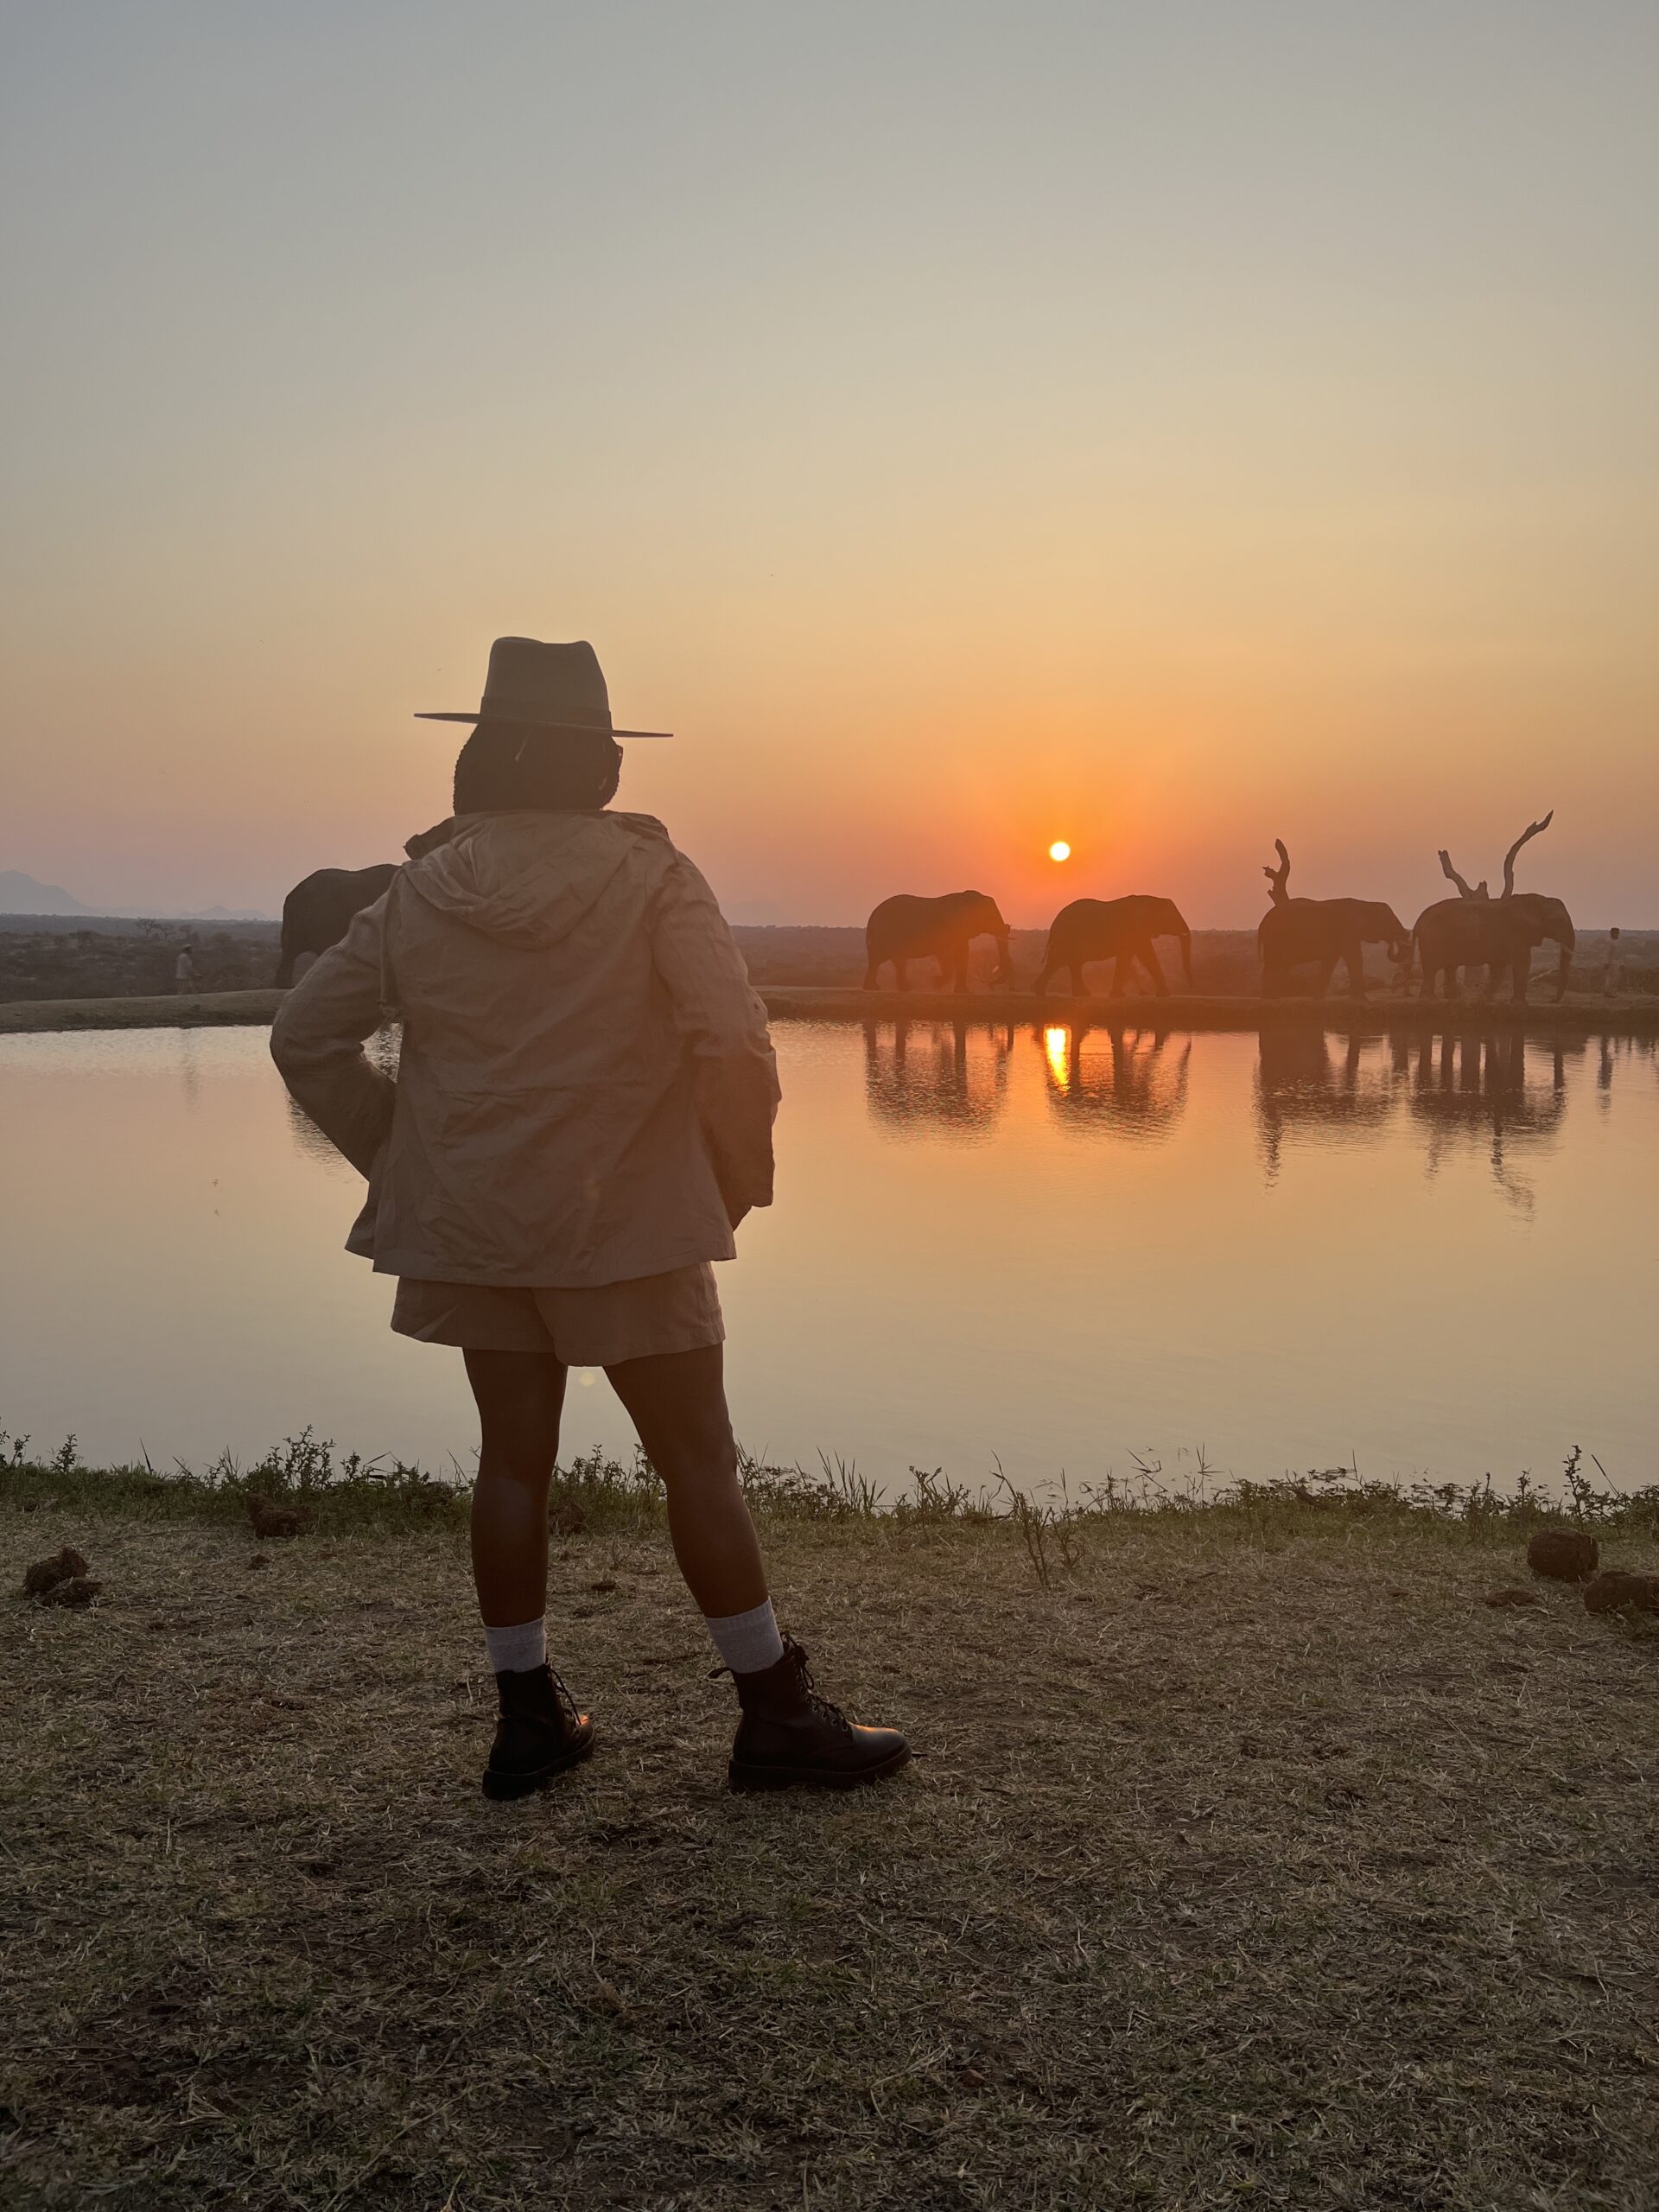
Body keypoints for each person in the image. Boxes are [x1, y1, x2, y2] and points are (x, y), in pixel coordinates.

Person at [270, 637, 907, 1802]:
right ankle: (774, 1717)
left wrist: (416, 1160)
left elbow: (303, 1036)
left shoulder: (421, 889)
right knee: (699, 1464)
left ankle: (527, 1721)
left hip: (480, 1226)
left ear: (484, 754)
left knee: (511, 1464)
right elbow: (735, 1046)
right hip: (629, 1221)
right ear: (599, 760)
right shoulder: (653, 876)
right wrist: (733, 1181)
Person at [1604, 926, 1622, 1000]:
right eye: (1617, 933)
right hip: (1612, 962)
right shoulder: (1610, 943)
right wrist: (1606, 962)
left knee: (1615, 977)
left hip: (1616, 962)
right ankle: (1609, 992)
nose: (1618, 935)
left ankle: (1612, 992)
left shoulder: (1616, 943)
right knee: (1611, 978)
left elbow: (1619, 954)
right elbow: (1607, 953)